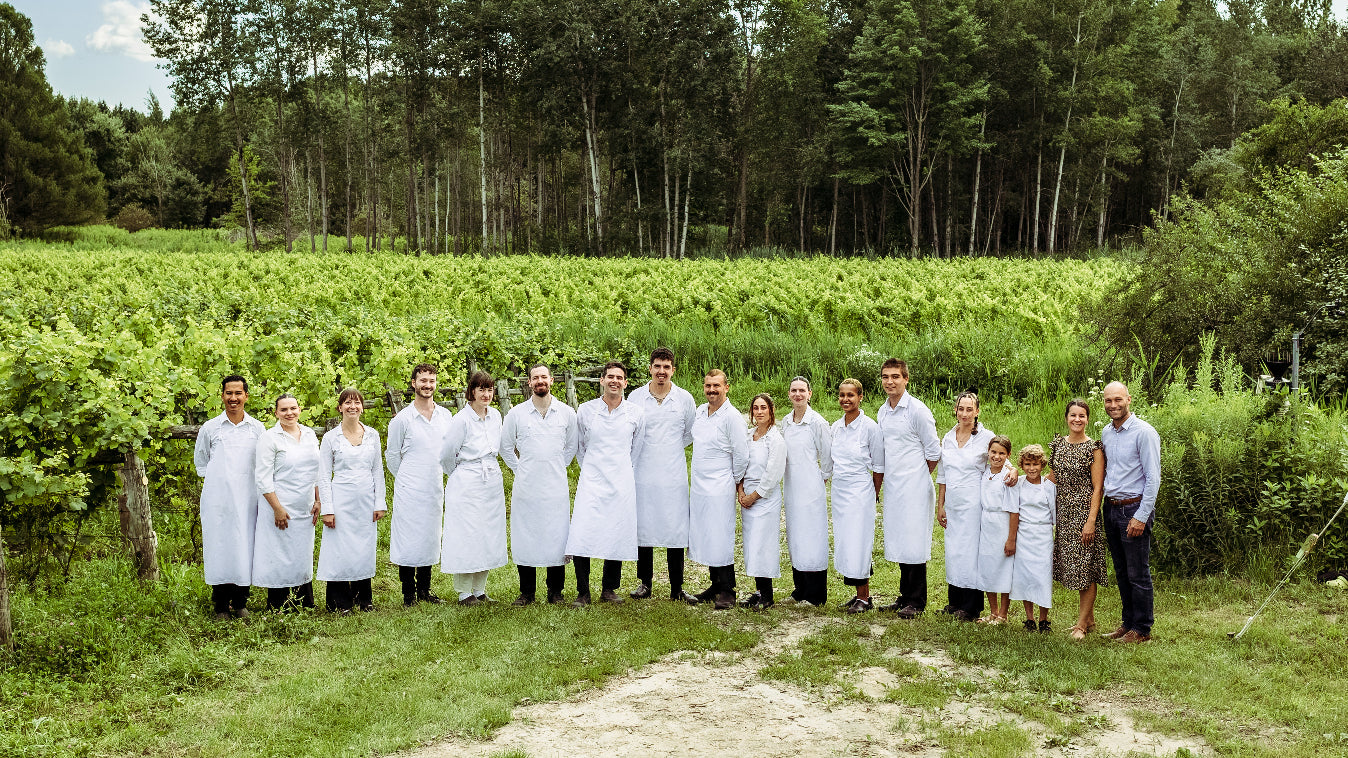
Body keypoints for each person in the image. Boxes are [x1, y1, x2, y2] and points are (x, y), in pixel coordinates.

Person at [565, 361, 646, 606]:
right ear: (602, 380)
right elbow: (580, 448)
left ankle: (609, 588)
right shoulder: (586, 411)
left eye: (619, 378)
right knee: (582, 531)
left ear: (625, 383)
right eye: (610, 376)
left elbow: (636, 450)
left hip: (621, 480)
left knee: (616, 530)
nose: (614, 381)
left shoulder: (635, 413)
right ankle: (583, 591)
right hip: (591, 478)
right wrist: (592, 469)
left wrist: (619, 471)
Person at [500, 364, 578, 606]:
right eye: (536, 378)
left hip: (555, 487)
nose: (540, 381)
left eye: (544, 377)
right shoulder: (517, 414)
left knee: (557, 536)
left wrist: (554, 467)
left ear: (552, 380)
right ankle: (527, 592)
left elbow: (571, 447)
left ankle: (556, 592)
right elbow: (505, 447)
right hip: (527, 487)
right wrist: (521, 469)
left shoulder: (566, 413)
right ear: (529, 382)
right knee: (527, 536)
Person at [194, 375, 266, 620]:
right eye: (228, 393)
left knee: (245, 546)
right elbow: (201, 464)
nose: (233, 398)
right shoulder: (211, 428)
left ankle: (241, 601)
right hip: (219, 501)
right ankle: (220, 604)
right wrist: (222, 485)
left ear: (246, 396)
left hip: (248, 499)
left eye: (238, 393)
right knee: (220, 547)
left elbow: (264, 464)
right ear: (222, 396)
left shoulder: (257, 429)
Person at [627, 347, 696, 601]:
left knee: (675, 528)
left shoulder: (684, 399)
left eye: (666, 367)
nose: (661, 372)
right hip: (643, 473)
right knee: (644, 526)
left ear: (673, 370)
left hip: (673, 473)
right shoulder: (635, 398)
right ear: (650, 368)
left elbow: (689, 433)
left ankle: (677, 588)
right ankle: (645, 583)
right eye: (657, 366)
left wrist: (670, 449)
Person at [874, 359, 941, 619]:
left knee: (914, 541)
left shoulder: (917, 410)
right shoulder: (883, 411)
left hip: (914, 486)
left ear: (906, 379)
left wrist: (918, 475)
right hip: (894, 486)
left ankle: (916, 600)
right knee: (900, 539)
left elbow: (934, 451)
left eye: (895, 377)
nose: (890, 381)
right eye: (885, 377)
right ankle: (904, 596)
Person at [386, 363, 454, 606]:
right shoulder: (402, 419)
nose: (428, 385)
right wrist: (406, 479)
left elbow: (449, 452)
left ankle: (425, 590)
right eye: (423, 380)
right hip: (409, 488)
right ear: (413, 383)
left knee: (430, 536)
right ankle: (408, 594)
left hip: (434, 486)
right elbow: (392, 456)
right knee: (408, 538)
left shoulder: (445, 416)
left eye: (432, 381)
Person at [1099, 381, 1161, 643]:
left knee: (1138, 571)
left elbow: (1153, 478)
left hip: (1133, 508)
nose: (1113, 405)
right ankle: (1128, 623)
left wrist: (1141, 515)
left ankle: (1142, 629)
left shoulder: (1144, 433)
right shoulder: (1106, 433)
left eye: (1118, 400)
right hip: (1111, 508)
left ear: (1129, 399)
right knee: (1122, 571)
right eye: (1108, 401)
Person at [439, 371, 507, 606]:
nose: (486, 394)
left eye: (489, 390)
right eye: (481, 390)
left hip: (490, 479)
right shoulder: (462, 419)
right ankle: (463, 592)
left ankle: (480, 589)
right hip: (467, 479)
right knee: (467, 534)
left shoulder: (496, 416)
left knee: (487, 534)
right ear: (472, 392)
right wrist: (458, 473)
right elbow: (447, 454)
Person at [317, 388, 386, 614]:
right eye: (347, 403)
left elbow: (378, 471)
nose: (352, 406)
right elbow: (324, 475)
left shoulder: (373, 435)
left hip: (366, 499)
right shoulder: (330, 438)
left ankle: (363, 598)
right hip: (341, 499)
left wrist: (380, 502)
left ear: (362, 407)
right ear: (340, 408)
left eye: (357, 402)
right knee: (340, 548)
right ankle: (339, 601)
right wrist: (328, 509)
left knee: (363, 548)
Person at [687, 369, 749, 610]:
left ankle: (727, 590)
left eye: (716, 386)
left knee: (721, 534)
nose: (711, 390)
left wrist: (731, 481)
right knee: (707, 533)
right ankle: (714, 584)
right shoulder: (701, 413)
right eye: (708, 386)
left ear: (727, 387)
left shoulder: (732, 417)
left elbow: (741, 455)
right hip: (701, 485)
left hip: (721, 484)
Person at [253, 394, 322, 611]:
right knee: (280, 553)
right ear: (276, 413)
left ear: (300, 410)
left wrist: (319, 500)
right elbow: (262, 477)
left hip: (305, 504)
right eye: (284, 410)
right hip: (280, 505)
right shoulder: (269, 438)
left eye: (293, 408)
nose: (289, 413)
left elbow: (317, 471)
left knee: (302, 553)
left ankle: (304, 601)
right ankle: (279, 604)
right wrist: (277, 508)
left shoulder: (310, 434)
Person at [1049, 399, 1107, 640]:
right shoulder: (1057, 445)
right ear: (1066, 417)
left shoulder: (1093, 448)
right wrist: (1019, 480)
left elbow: (1098, 487)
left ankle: (1081, 625)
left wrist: (1091, 520)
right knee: (1074, 567)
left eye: (1082, 416)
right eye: (1073, 415)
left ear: (1087, 419)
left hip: (1085, 514)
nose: (1077, 420)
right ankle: (1090, 620)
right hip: (1064, 515)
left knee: (1086, 568)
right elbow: (1050, 478)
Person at [830, 378, 884, 614]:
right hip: (840, 490)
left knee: (860, 541)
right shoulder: (835, 427)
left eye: (850, 395)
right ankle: (857, 594)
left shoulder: (870, 427)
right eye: (842, 395)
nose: (845, 400)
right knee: (846, 542)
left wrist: (872, 494)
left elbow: (879, 467)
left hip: (861, 490)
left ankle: (864, 596)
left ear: (860, 397)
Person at [780, 376, 831, 607]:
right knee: (796, 535)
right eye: (794, 391)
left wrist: (822, 479)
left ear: (810, 393)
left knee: (812, 537)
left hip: (811, 487)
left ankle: (816, 594)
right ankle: (799, 589)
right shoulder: (785, 422)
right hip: (792, 486)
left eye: (802, 390)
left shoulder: (817, 422)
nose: (798, 394)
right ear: (789, 394)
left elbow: (828, 457)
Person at [737, 393, 787, 610]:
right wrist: (740, 491)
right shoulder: (748, 436)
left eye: (763, 408)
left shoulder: (775, 439)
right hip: (747, 498)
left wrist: (753, 496)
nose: (759, 412)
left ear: (771, 411)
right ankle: (757, 591)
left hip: (765, 499)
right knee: (751, 546)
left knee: (764, 546)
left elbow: (772, 474)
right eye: (755, 408)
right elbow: (739, 464)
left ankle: (767, 595)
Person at [1010, 444, 1056, 632]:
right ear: (1022, 465)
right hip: (1024, 535)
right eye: (1027, 464)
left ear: (1042, 465)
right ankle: (1029, 618)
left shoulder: (1048, 486)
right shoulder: (1018, 483)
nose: (1031, 468)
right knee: (1025, 576)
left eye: (1035, 464)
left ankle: (1044, 619)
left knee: (1042, 577)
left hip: (1043, 535)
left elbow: (1054, 511)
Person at [975, 435, 1016, 624]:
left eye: (1001, 453)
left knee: (1004, 568)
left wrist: (1011, 538)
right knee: (988, 567)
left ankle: (1003, 614)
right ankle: (993, 611)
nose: (996, 457)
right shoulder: (985, 470)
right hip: (987, 523)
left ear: (1008, 455)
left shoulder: (1008, 475)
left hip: (1002, 522)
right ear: (988, 452)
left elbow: (1014, 509)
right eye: (993, 452)